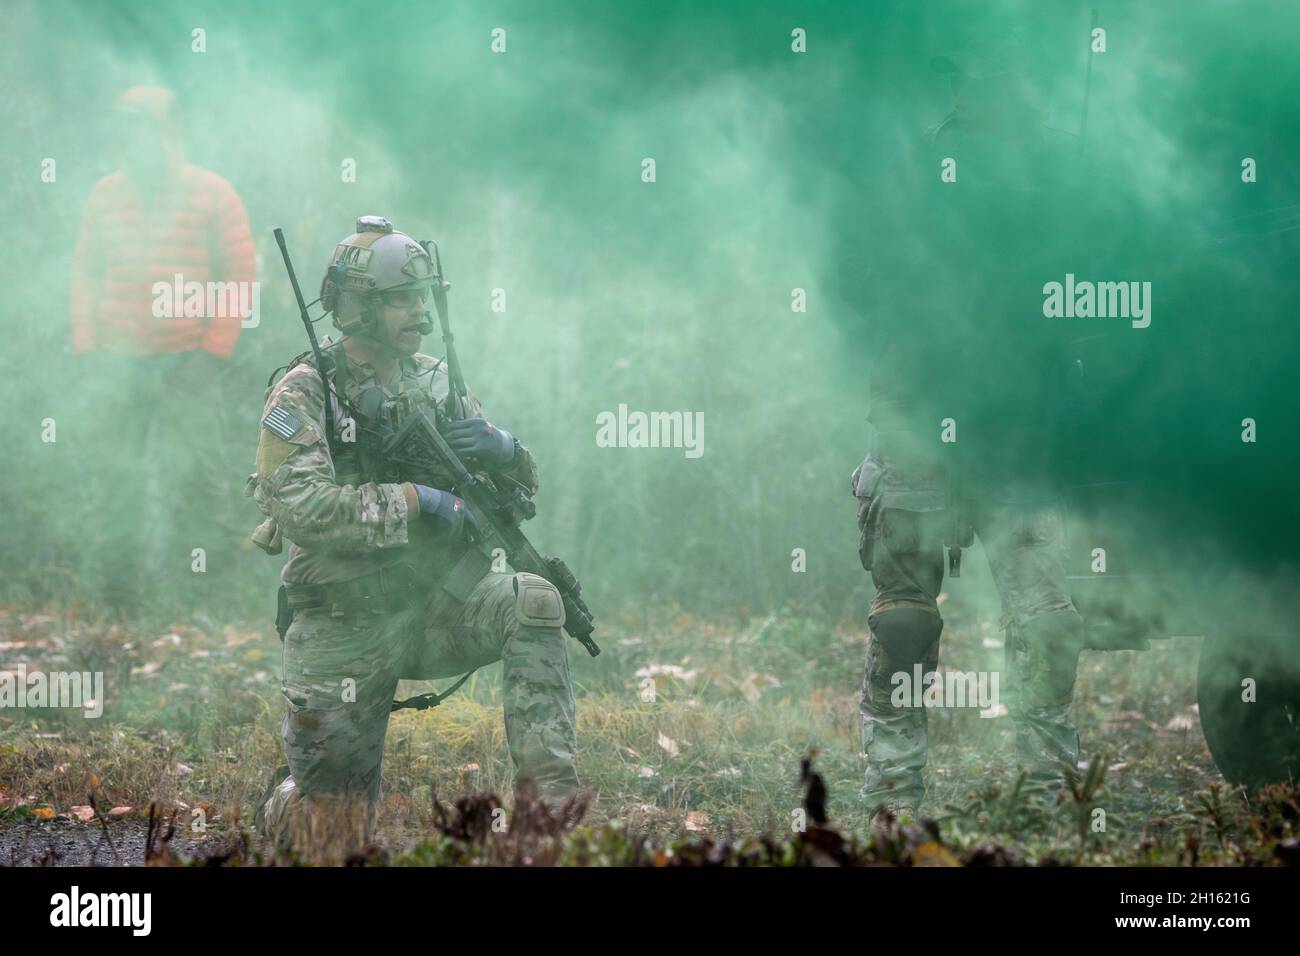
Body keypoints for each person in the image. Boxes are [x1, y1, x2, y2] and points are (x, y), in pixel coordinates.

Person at [253, 216, 579, 847]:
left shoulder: (435, 381)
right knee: (334, 838)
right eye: (398, 299)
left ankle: (550, 827)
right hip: (342, 624)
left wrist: (506, 450)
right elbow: (300, 507)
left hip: (437, 607)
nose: (417, 312)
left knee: (534, 599)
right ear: (357, 307)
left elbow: (515, 493)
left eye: (420, 297)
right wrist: (416, 500)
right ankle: (284, 804)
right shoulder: (304, 392)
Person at [845, 34, 1088, 819]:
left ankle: (1047, 801)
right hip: (921, 425)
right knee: (907, 625)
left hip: (1018, 432)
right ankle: (890, 806)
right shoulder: (917, 179)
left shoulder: (1059, 178)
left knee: (1045, 625)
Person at [69, 84, 255, 613]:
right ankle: (116, 604)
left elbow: (239, 276)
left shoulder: (212, 192)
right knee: (114, 480)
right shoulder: (106, 193)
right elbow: (84, 272)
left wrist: (212, 350)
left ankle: (203, 605)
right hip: (116, 359)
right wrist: (88, 345)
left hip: (187, 361)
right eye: (127, 128)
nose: (136, 139)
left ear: (168, 132)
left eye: (144, 126)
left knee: (197, 479)